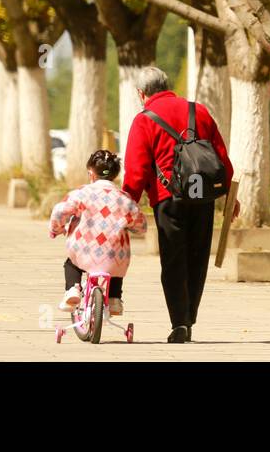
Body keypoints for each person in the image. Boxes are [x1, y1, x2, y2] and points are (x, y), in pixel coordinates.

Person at [120, 66, 236, 343]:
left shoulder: (144, 120)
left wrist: (126, 205)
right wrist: (231, 196)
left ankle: (180, 322)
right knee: (197, 258)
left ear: (141, 93)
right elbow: (220, 157)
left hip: (167, 198)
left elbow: (136, 171)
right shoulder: (200, 111)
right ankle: (189, 317)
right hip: (203, 197)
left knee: (174, 261)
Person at [49, 149, 147, 317]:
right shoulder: (125, 198)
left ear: (91, 174)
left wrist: (56, 229)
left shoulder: (81, 193)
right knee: (116, 264)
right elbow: (141, 225)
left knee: (71, 263)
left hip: (84, 251)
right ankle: (115, 298)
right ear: (115, 175)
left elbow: (59, 212)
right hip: (115, 258)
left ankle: (73, 289)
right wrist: (130, 226)